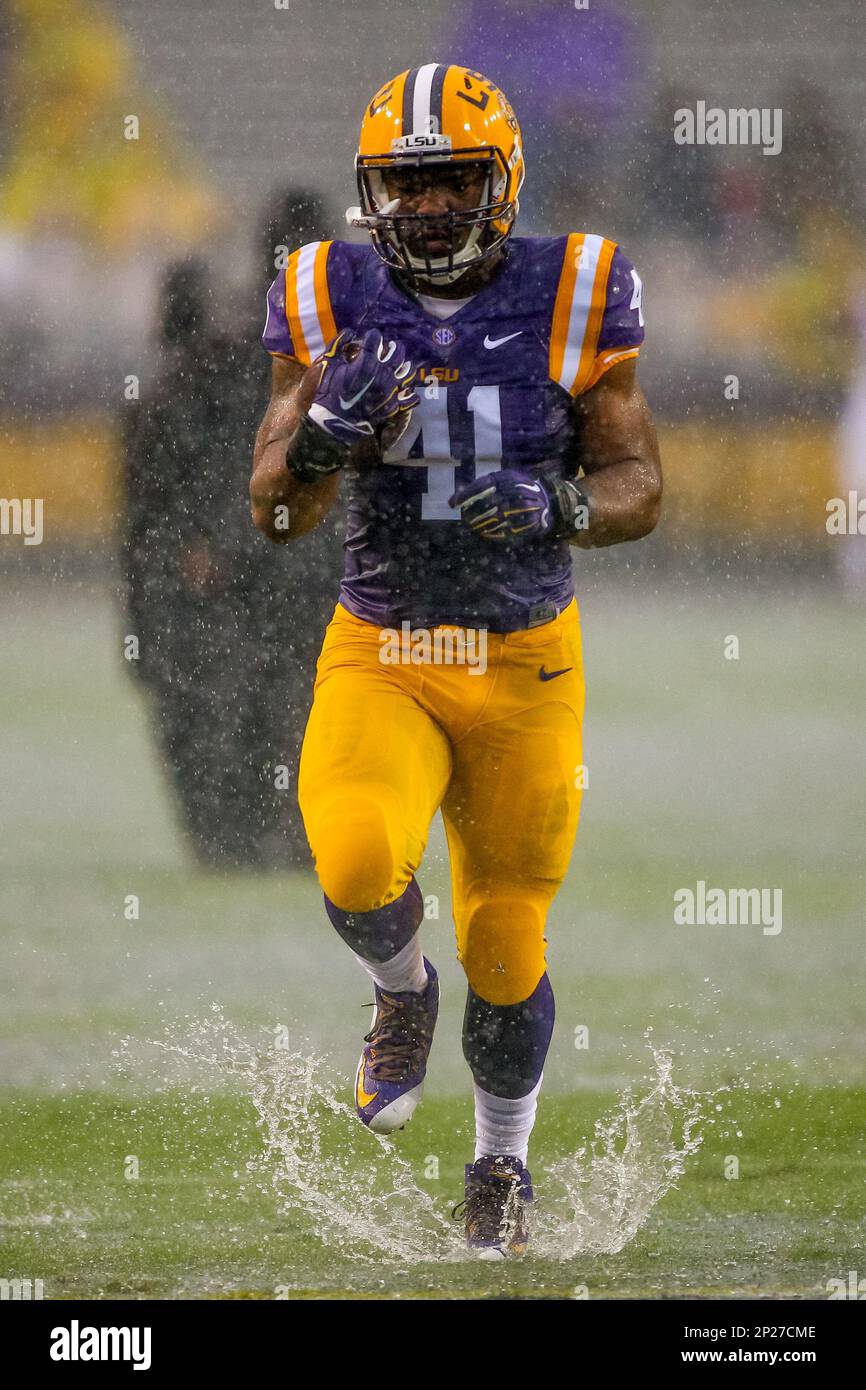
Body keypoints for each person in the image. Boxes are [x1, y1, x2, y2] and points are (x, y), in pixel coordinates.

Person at [250, 65, 661, 1256]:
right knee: (356, 853)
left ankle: (499, 1162)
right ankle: (397, 994)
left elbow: (640, 486)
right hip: (383, 644)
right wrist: (319, 443)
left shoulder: (575, 286)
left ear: (502, 180)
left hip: (523, 656)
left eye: (451, 183)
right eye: (405, 185)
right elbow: (271, 513)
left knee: (508, 937)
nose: (427, 209)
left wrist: (557, 503)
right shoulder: (324, 289)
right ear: (370, 191)